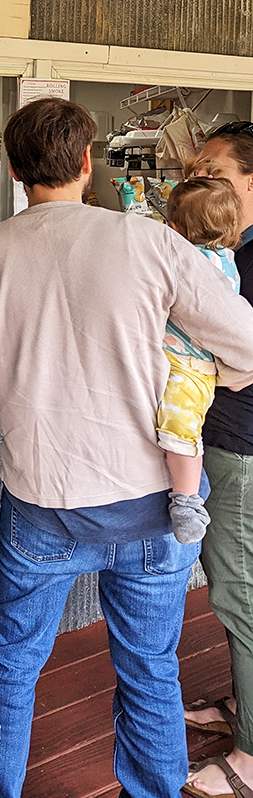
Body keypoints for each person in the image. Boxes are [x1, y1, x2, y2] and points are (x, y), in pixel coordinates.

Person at [0, 98, 253, 798]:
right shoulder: (149, 242)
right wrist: (195, 374)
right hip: (155, 502)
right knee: (150, 665)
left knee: (10, 660)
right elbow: (244, 347)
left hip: (43, 500)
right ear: (86, 162)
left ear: (15, 169)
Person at [178, 122, 253, 798]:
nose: (200, 181)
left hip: (241, 449)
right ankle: (242, 705)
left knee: (239, 595)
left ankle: (251, 757)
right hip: (230, 443)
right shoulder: (230, 252)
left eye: (215, 172)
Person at [157, 177, 241, 544]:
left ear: (174, 228)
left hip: (188, 367)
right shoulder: (226, 260)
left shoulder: (191, 263)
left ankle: (187, 500)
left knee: (181, 430)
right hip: (182, 361)